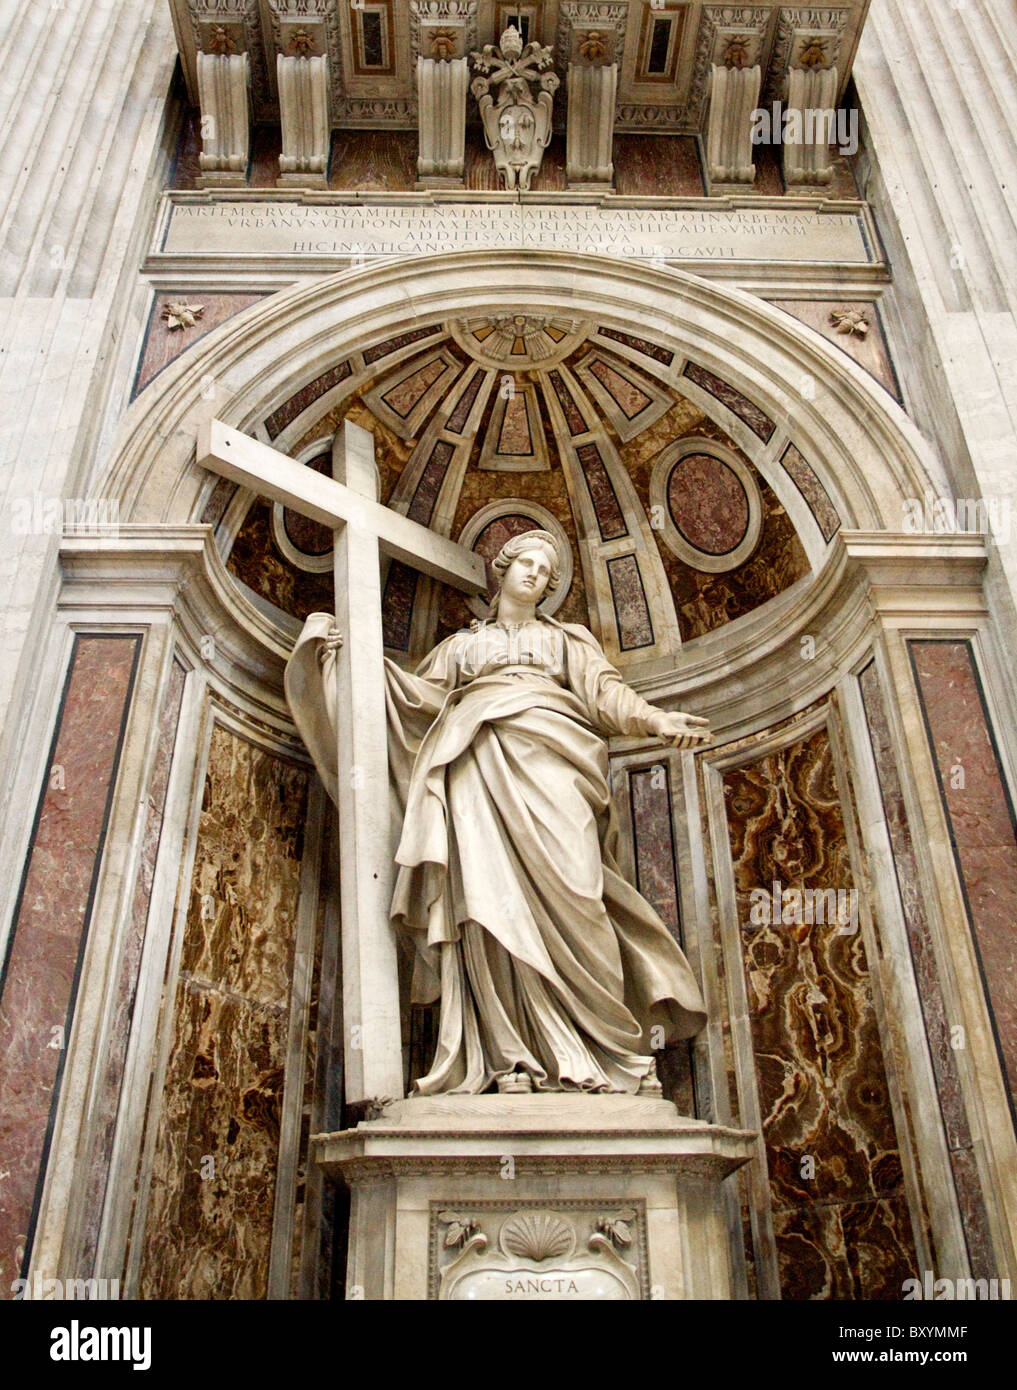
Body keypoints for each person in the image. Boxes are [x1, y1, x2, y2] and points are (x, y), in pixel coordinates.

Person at [289, 529, 710, 1096]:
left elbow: (608, 695)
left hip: (557, 768)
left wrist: (657, 721)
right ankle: (508, 1055)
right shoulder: (460, 649)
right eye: (525, 563)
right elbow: (409, 705)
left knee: (578, 892)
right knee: (485, 903)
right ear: (502, 572)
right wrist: (346, 663)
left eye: (546, 569)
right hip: (475, 769)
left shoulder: (568, 642)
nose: (535, 573)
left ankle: (603, 1048)